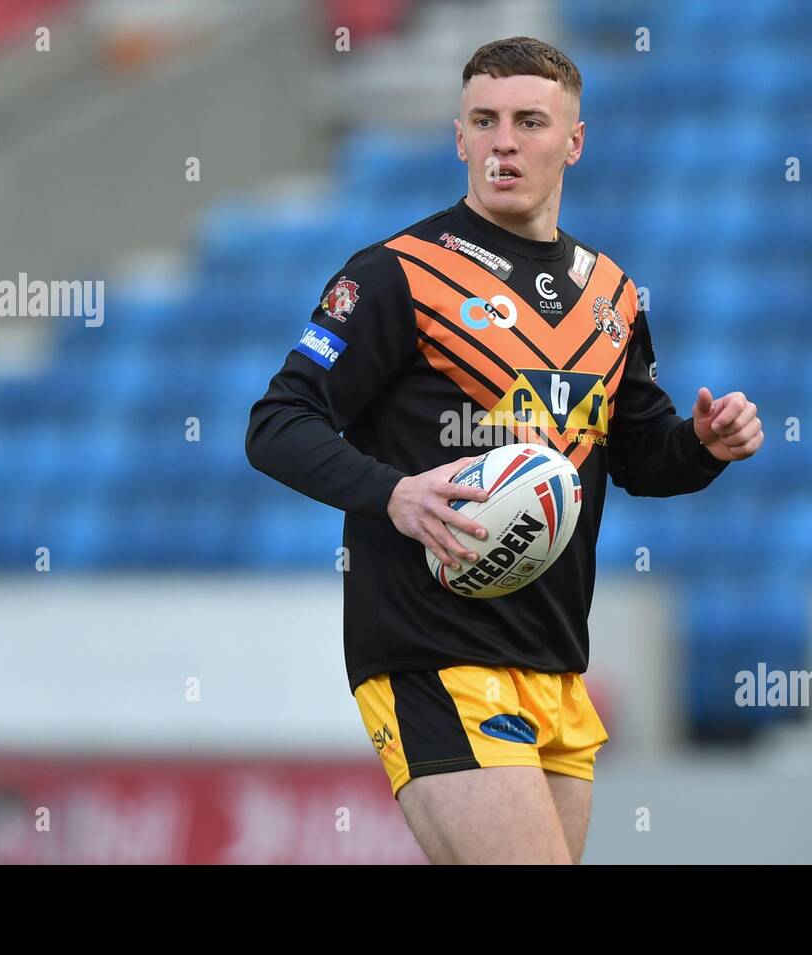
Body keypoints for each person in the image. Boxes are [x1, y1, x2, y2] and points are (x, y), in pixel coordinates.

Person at [246, 36, 762, 864]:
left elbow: (638, 458)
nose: (504, 142)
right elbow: (277, 423)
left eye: (529, 121)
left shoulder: (612, 296)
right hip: (432, 652)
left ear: (575, 141)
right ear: (459, 138)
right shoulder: (398, 274)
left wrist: (702, 446)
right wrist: (394, 493)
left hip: (557, 661)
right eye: (484, 121)